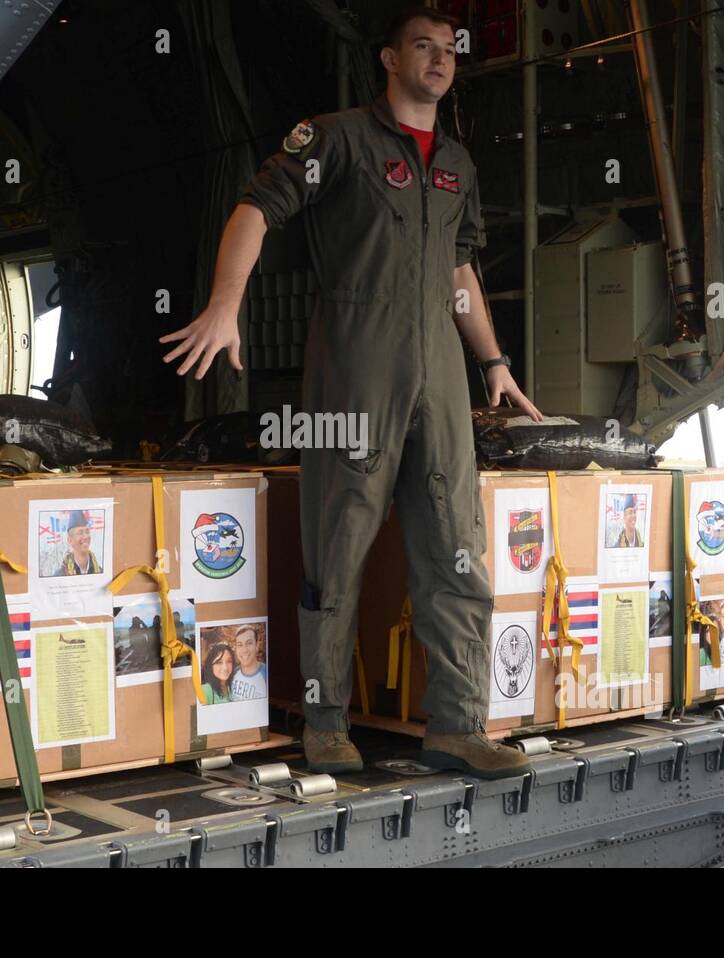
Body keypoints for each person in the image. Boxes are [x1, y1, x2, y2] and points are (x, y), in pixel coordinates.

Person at [160, 7, 541, 778]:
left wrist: (494, 360)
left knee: (458, 547)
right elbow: (254, 210)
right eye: (423, 48)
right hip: (353, 365)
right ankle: (326, 722)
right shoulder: (334, 140)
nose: (439, 61)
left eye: (449, 52)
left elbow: (460, 272)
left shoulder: (457, 165)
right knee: (337, 547)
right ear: (389, 60)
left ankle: (459, 726)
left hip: (439, 368)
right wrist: (225, 304)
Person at [229, 627, 268, 701]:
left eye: (249, 643)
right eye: (240, 645)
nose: (244, 650)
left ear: (257, 646)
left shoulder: (266, 673)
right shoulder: (233, 673)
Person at [55, 510, 99, 575]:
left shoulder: (99, 571)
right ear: (70, 540)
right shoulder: (60, 574)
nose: (86, 536)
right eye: (80, 533)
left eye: (87, 532)